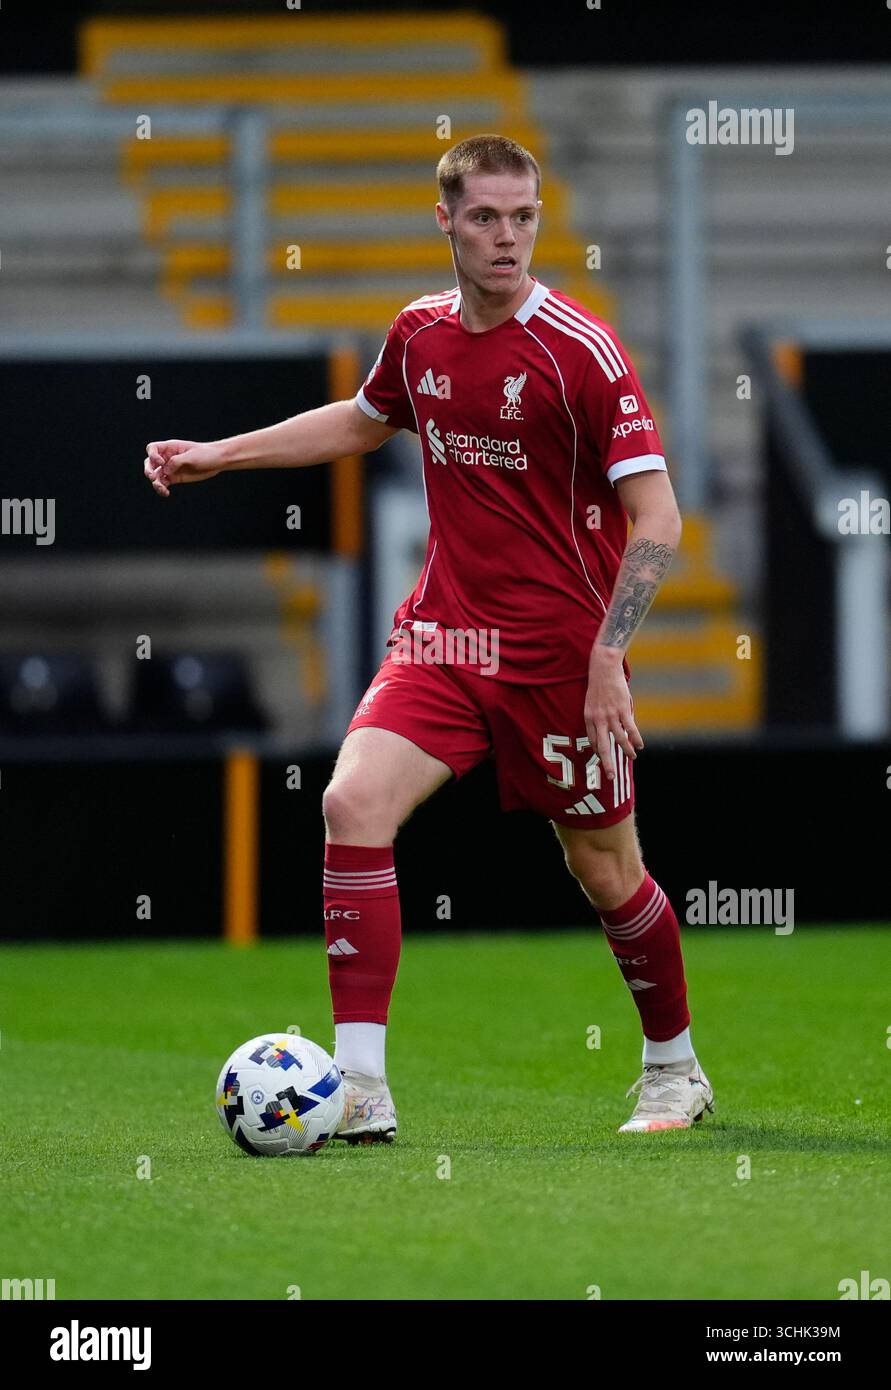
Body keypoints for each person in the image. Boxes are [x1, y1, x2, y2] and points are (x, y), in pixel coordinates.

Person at [145, 133, 713, 1140]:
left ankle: (674, 1066)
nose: (508, 237)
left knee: (604, 868)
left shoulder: (582, 352)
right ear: (443, 218)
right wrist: (219, 455)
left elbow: (659, 517)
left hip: (559, 656)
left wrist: (610, 654)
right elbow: (366, 419)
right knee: (351, 800)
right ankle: (360, 1086)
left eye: (524, 217)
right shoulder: (418, 333)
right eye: (487, 216)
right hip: (445, 640)